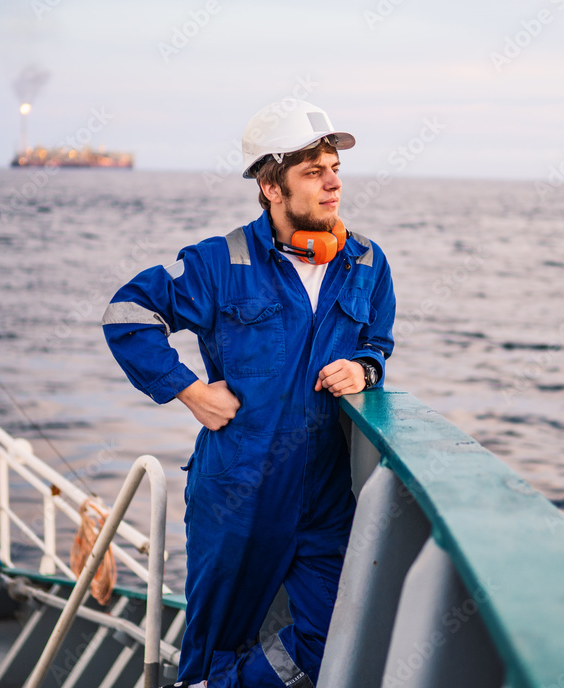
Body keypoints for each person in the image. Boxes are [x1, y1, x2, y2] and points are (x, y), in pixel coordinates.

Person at [102, 100, 396, 688]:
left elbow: (378, 341)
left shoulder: (366, 261)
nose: (333, 182)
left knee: (329, 637)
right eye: (313, 171)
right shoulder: (221, 262)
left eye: (334, 168)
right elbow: (127, 312)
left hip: (326, 500)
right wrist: (189, 391)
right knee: (214, 644)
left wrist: (365, 369)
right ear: (270, 186)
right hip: (237, 493)